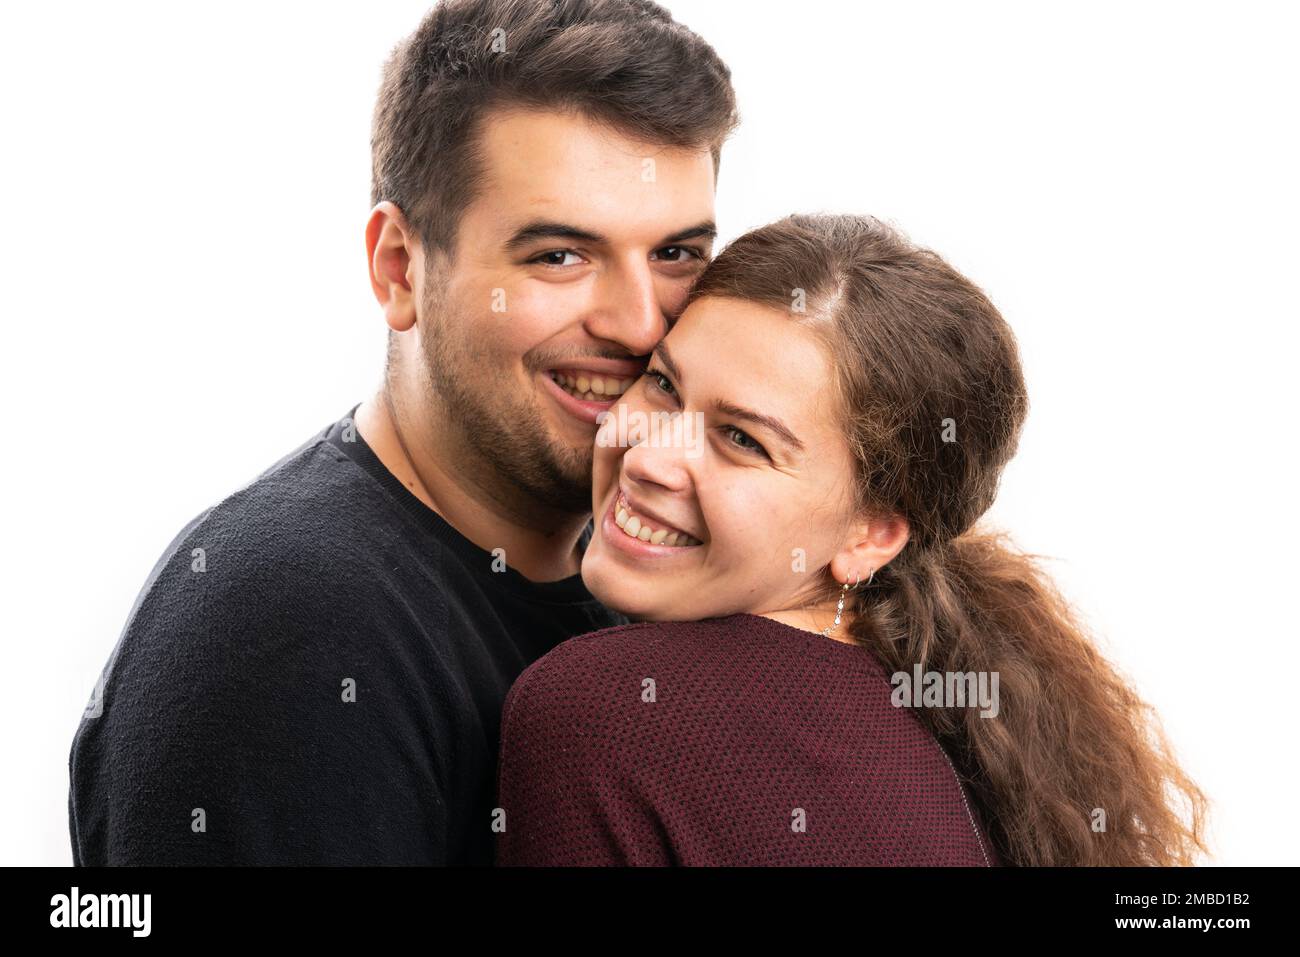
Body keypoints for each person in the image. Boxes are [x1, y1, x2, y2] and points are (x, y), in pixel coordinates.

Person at [67, 0, 738, 865]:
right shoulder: (291, 635)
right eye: (559, 256)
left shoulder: (662, 565)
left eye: (676, 255)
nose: (641, 324)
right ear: (400, 267)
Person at [495, 213, 1211, 867]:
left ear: (872, 535)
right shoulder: (945, 738)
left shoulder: (603, 707)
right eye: (663, 385)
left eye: (741, 439)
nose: (647, 456)